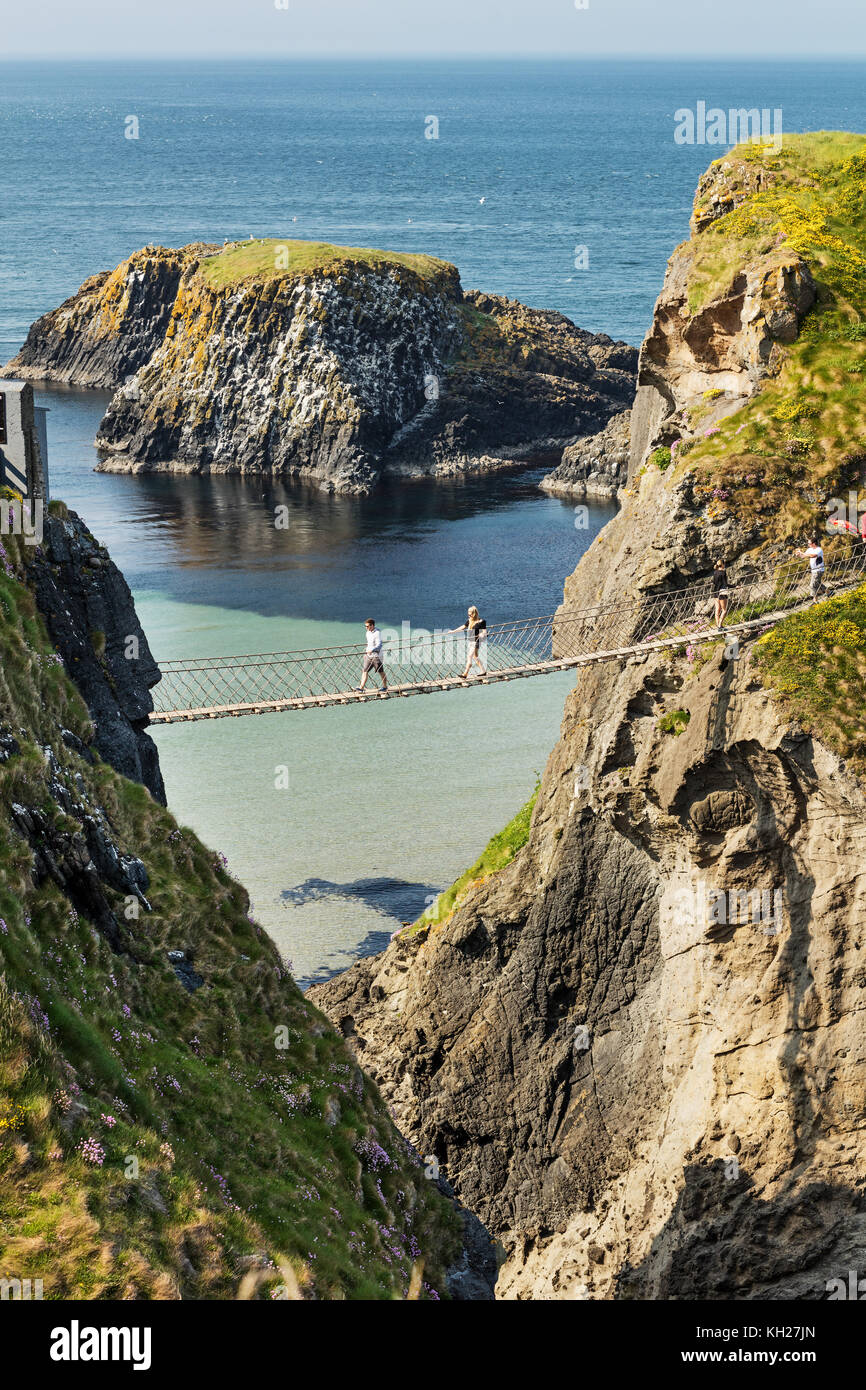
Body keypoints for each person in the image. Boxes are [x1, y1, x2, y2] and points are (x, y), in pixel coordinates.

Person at [450, 605, 487, 679]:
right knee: (475, 657)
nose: (469, 614)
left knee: (469, 656)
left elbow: (485, 631)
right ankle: (483, 671)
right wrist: (453, 631)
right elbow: (463, 627)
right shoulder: (469, 620)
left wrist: (482, 634)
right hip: (470, 641)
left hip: (476, 641)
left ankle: (465, 673)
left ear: (474, 613)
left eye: (470, 613)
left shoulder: (481, 621)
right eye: (468, 613)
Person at [355, 619, 388, 692]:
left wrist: (372, 650)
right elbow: (369, 643)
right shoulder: (367, 632)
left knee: (381, 672)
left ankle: (385, 687)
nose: (366, 628)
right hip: (368, 656)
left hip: (376, 656)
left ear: (372, 625)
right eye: (365, 626)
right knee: (364, 671)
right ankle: (361, 688)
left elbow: (379, 645)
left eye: (367, 626)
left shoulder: (377, 633)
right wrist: (367, 651)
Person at [798, 538, 825, 602]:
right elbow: (803, 556)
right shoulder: (809, 549)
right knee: (817, 583)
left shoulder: (819, 549)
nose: (808, 545)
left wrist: (803, 553)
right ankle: (829, 592)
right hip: (814, 570)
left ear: (814, 543)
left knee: (812, 585)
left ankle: (815, 601)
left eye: (809, 543)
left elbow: (813, 556)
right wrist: (799, 554)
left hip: (819, 570)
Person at [712, 558, 729, 629]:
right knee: (724, 610)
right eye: (724, 564)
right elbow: (725, 584)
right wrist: (735, 586)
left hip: (715, 592)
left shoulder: (715, 572)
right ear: (722, 565)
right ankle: (720, 625)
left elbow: (714, 582)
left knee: (717, 610)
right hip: (722, 592)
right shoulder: (723, 572)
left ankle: (718, 626)